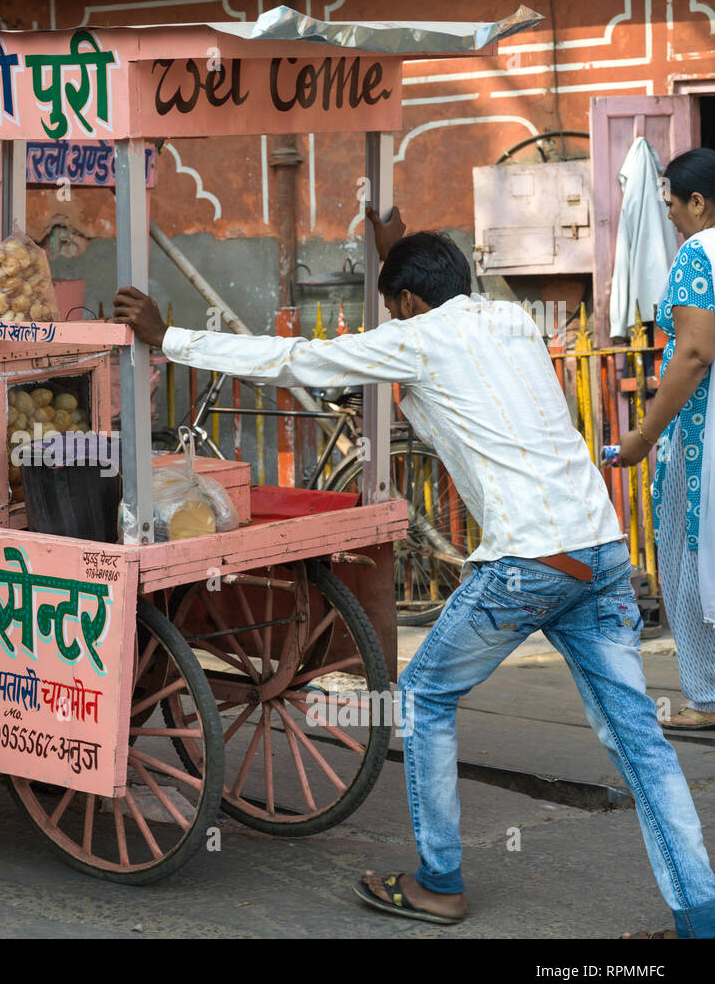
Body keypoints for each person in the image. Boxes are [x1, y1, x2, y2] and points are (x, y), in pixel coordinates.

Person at [113, 214, 715, 938]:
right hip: (600, 554)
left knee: (425, 694)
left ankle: (438, 882)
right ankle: (699, 919)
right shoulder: (514, 321)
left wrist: (167, 337)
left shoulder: (416, 338)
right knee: (640, 744)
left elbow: (294, 359)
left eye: (392, 301)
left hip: (527, 563)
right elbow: (436, 294)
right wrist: (397, 253)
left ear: (402, 304)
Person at [615, 149, 715, 732]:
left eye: (672, 202)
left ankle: (705, 697)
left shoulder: (697, 256)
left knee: (684, 551)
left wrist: (645, 434)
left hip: (699, 437)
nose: (669, 214)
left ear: (697, 202)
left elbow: (696, 352)